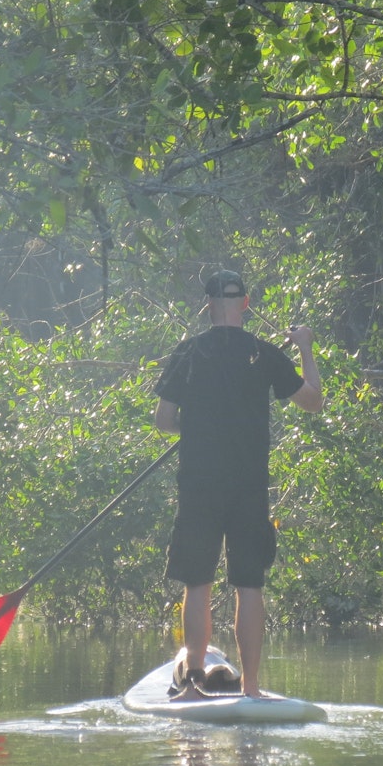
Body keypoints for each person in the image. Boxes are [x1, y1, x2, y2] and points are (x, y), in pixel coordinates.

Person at [154, 270, 323, 700]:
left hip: (199, 484)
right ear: (245, 304)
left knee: (198, 582)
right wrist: (304, 347)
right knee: (249, 585)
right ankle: (251, 690)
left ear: (208, 305)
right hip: (248, 485)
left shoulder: (188, 352)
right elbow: (313, 402)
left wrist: (190, 429)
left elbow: (164, 422)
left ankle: (192, 683)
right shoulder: (264, 354)